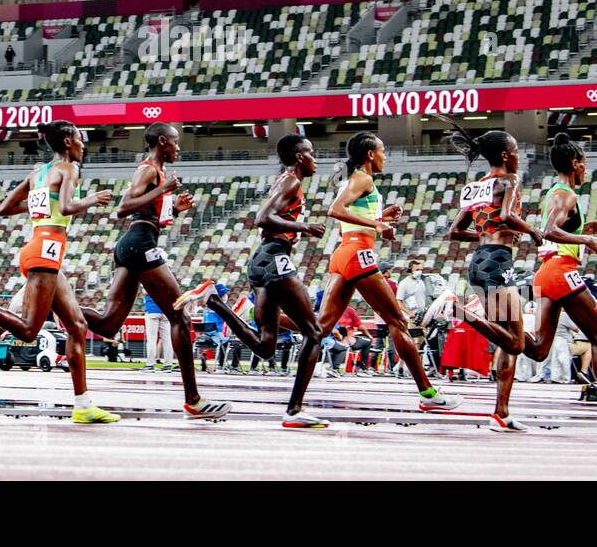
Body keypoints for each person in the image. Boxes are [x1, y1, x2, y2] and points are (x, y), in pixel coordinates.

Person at [0, 121, 121, 424]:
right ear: (67, 141)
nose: (82, 144)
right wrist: (92, 199)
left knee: (77, 325)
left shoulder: (36, 173)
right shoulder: (68, 168)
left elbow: (4, 209)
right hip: (46, 250)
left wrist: (40, 205)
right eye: (80, 138)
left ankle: (83, 405)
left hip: (39, 248)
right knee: (28, 330)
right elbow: (65, 207)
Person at [81, 122, 230, 421]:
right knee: (179, 315)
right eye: (175, 142)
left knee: (109, 324)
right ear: (162, 142)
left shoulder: (155, 172)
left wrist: (173, 209)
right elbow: (124, 208)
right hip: (140, 244)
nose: (178, 147)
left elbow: (144, 212)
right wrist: (163, 189)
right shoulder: (149, 169)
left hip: (133, 245)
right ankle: (193, 400)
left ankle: (57, 305)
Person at [176, 134, 328, 427]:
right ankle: (294, 411)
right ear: (299, 157)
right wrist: (304, 226)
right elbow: (262, 217)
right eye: (311, 153)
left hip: (263, 261)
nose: (315, 160)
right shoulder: (291, 181)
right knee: (314, 333)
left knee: (265, 347)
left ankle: (214, 301)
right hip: (274, 258)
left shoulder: (285, 181)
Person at [303, 132, 461, 412]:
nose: (385, 156)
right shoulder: (362, 178)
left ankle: (271, 317)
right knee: (398, 322)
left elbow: (351, 219)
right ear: (369, 155)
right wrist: (377, 226)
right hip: (358, 255)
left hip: (343, 253)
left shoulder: (359, 180)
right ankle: (428, 393)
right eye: (382, 150)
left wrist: (380, 218)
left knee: (322, 327)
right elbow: (335, 210)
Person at [427, 120, 546, 431]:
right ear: (507, 156)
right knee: (517, 344)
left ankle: (501, 413)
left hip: (480, 260)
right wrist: (531, 230)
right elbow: (507, 214)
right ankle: (456, 308)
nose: (519, 157)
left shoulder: (475, 186)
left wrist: (492, 234)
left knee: (509, 342)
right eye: (517, 152)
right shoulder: (509, 179)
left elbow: (455, 232)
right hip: (497, 263)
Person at [142, 292, 175, 372]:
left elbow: (145, 292)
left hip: (152, 310)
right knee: (167, 340)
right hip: (165, 311)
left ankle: (150, 364)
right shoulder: (166, 279)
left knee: (152, 339)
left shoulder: (148, 280)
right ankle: (168, 365)